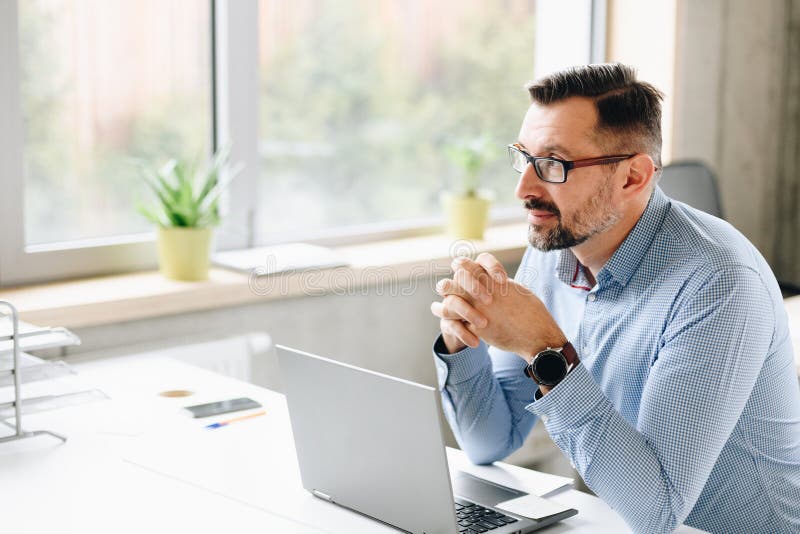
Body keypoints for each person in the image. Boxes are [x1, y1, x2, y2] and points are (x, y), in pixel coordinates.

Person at [430, 63, 800, 533]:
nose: (523, 188)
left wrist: (547, 350)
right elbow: (490, 442)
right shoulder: (554, 247)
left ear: (632, 178)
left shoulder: (719, 283)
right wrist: (462, 343)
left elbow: (658, 514)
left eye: (553, 165)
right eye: (524, 158)